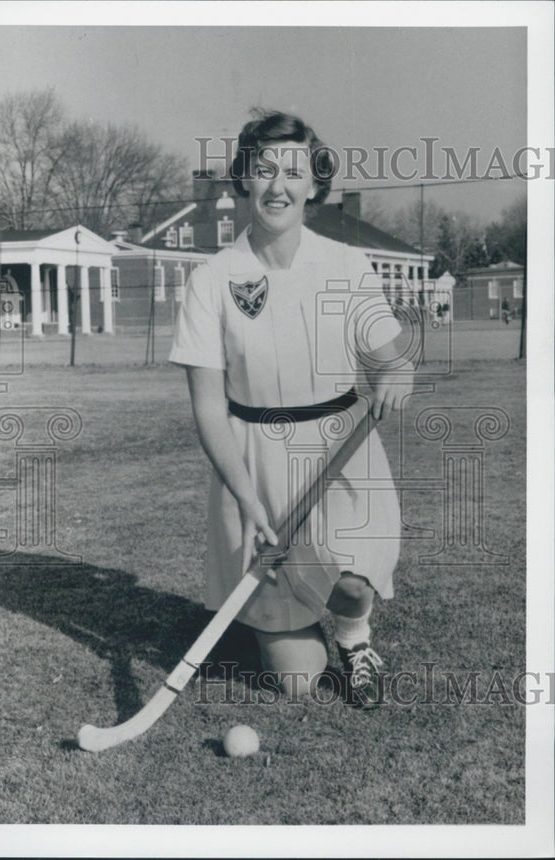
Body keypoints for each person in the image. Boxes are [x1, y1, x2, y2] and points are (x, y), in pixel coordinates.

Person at [169, 110, 414, 705]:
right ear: (245, 179)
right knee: (298, 681)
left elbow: (393, 358)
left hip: (341, 448)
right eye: (264, 170)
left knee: (352, 579)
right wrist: (247, 499)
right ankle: (272, 623)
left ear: (313, 183)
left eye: (293, 172)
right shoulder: (211, 279)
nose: (278, 186)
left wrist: (395, 374)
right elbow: (208, 407)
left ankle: (356, 641)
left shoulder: (347, 266)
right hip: (253, 465)